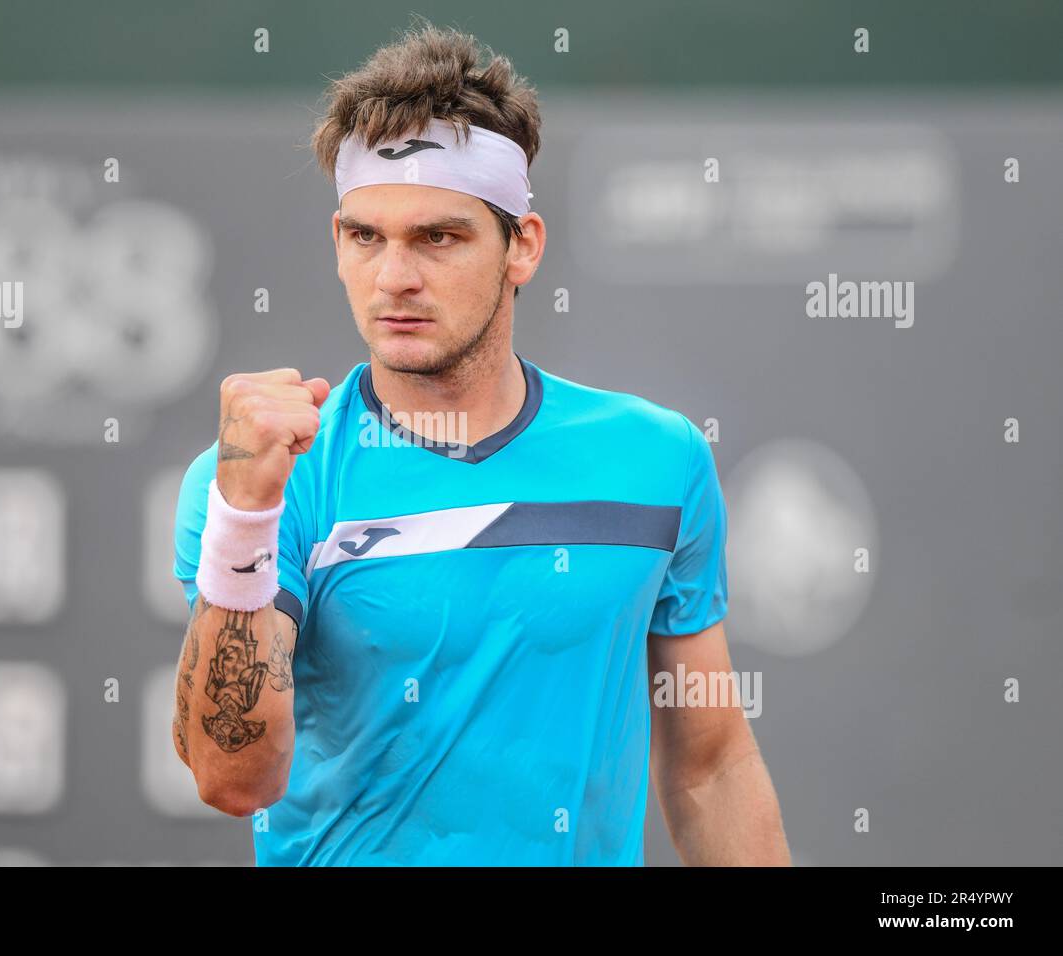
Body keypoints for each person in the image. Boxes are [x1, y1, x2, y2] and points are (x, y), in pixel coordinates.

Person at [172, 19, 790, 866]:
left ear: (521, 247)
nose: (395, 277)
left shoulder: (660, 461)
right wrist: (242, 515)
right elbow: (232, 778)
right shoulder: (264, 480)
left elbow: (711, 764)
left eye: (439, 237)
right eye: (366, 237)